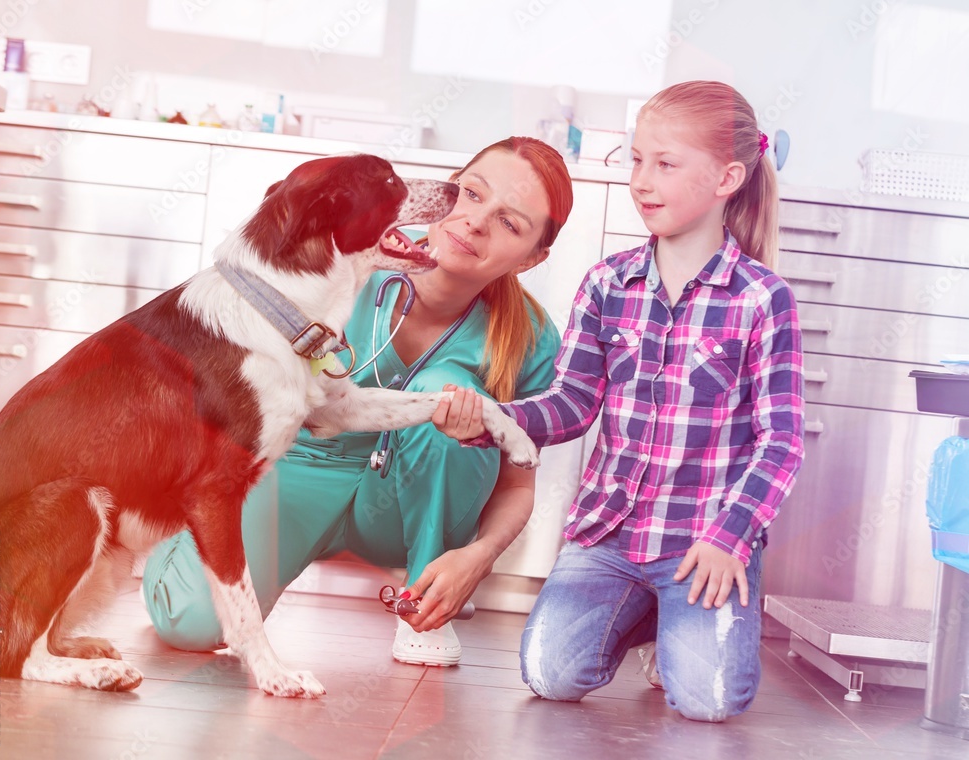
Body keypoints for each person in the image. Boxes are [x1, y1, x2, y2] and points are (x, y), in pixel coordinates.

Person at [436, 81, 805, 720]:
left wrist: (730, 536)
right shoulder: (608, 284)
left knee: (709, 701)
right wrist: (495, 419)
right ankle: (651, 618)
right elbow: (573, 403)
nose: (641, 180)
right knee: (549, 674)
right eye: (636, 160)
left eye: (665, 164)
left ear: (728, 178)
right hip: (608, 534)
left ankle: (682, 614)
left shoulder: (761, 299)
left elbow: (781, 442)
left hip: (703, 544)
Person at [141, 136, 574, 667]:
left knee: (448, 388)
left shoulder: (529, 338)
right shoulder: (348, 251)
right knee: (192, 624)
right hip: (292, 469)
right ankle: (182, 534)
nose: (476, 222)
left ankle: (424, 603)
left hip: (401, 507)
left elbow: (518, 483)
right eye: (470, 193)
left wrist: (478, 559)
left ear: (534, 258)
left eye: (511, 223)